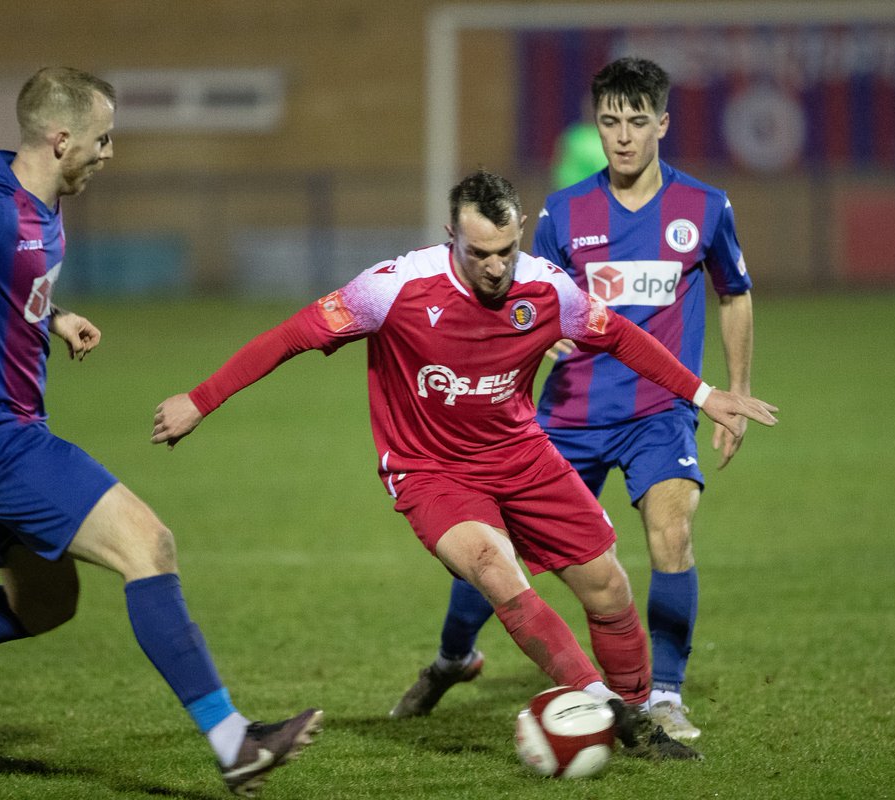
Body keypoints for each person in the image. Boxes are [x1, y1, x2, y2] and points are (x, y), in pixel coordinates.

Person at [151, 170, 777, 760]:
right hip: (430, 471)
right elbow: (292, 336)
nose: (496, 267)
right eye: (479, 253)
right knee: (494, 570)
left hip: (523, 456)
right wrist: (201, 400)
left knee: (608, 587)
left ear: (521, 230)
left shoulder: (548, 288)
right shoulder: (390, 288)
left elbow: (616, 334)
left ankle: (637, 713)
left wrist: (704, 394)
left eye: (506, 250)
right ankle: (607, 707)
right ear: (452, 234)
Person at [0, 67, 318, 798]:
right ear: (60, 138)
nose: (109, 153)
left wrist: (53, 316)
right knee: (148, 544)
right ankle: (234, 742)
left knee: (43, 605)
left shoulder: (40, 204)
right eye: (101, 139)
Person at [391, 57, 756, 742]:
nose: (623, 136)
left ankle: (664, 695)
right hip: (568, 414)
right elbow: (526, 303)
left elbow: (734, 294)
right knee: (492, 553)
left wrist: (733, 392)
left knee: (672, 533)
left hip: (659, 412)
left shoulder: (706, 207)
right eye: (610, 121)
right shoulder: (564, 211)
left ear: (662, 124)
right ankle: (452, 658)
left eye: (637, 121)